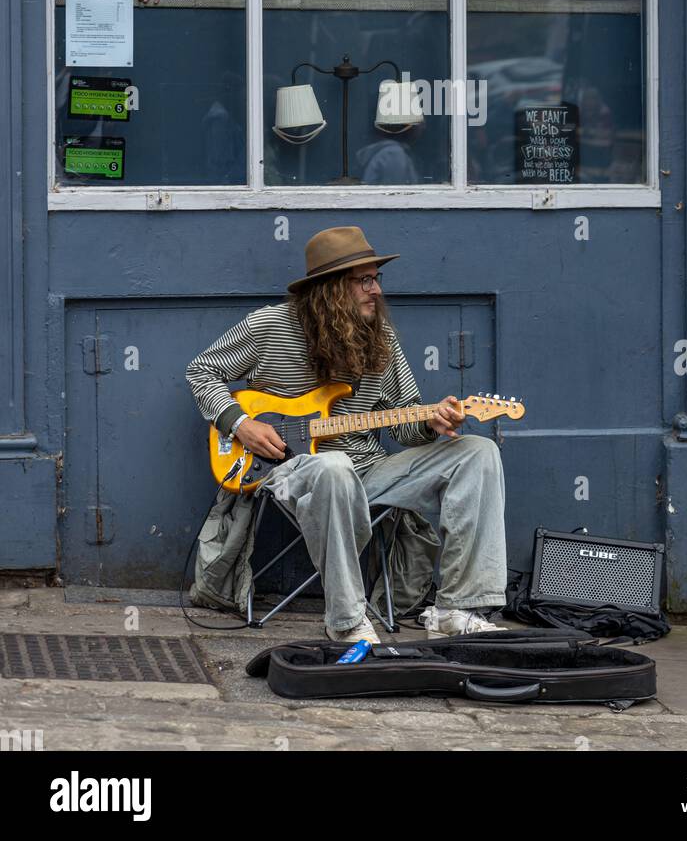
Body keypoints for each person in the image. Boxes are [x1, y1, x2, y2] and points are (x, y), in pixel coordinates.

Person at [185, 225, 509, 645]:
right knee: (334, 467)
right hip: (292, 468)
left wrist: (432, 422)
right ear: (329, 289)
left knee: (477, 452)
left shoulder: (382, 338)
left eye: (377, 279)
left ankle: (456, 608)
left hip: (371, 469)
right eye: (365, 280)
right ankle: (347, 620)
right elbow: (201, 370)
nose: (376, 290)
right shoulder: (269, 325)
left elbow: (405, 425)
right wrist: (240, 423)